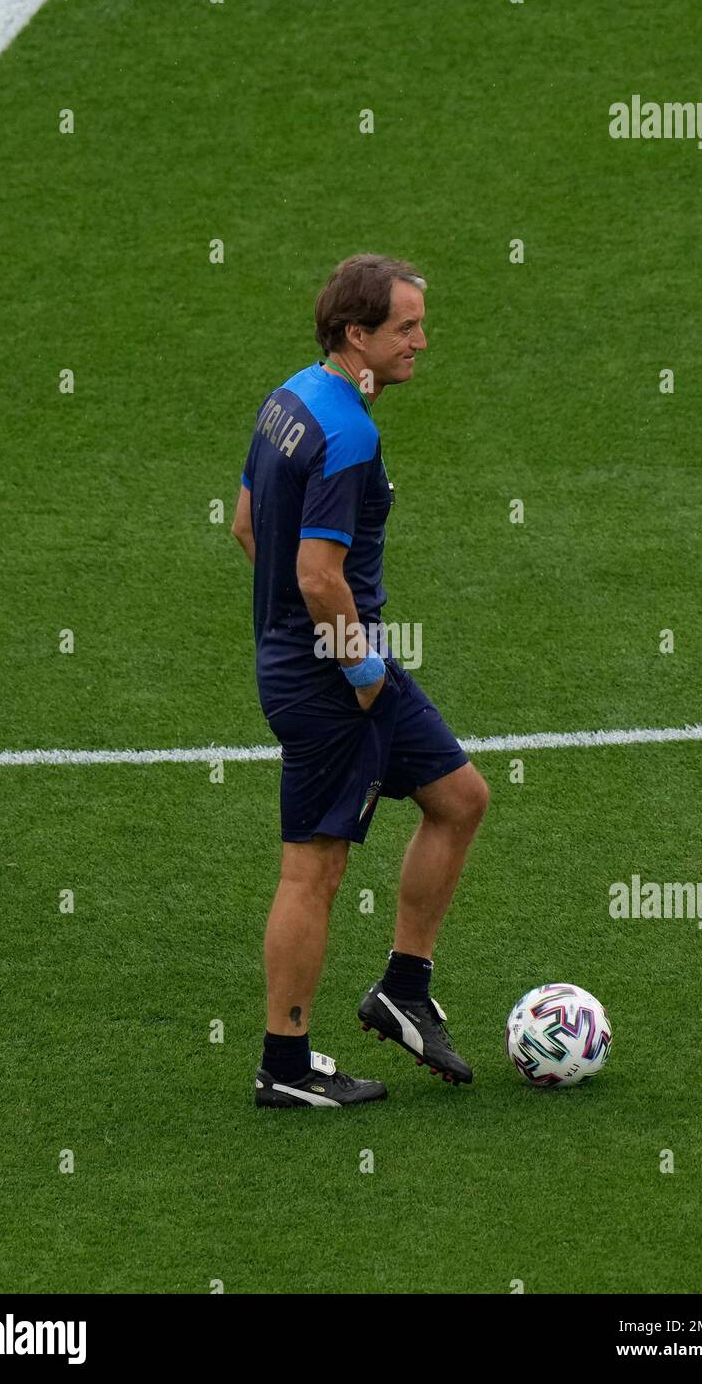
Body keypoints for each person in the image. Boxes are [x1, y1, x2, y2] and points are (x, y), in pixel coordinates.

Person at [231, 254, 489, 1109]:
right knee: (313, 870)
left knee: (459, 797)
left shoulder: (289, 399)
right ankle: (286, 1064)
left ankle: (403, 988)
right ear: (358, 335)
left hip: (319, 659)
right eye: (406, 327)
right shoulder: (349, 432)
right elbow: (315, 574)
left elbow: (244, 525)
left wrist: (304, 632)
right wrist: (363, 672)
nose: (421, 340)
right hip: (336, 679)